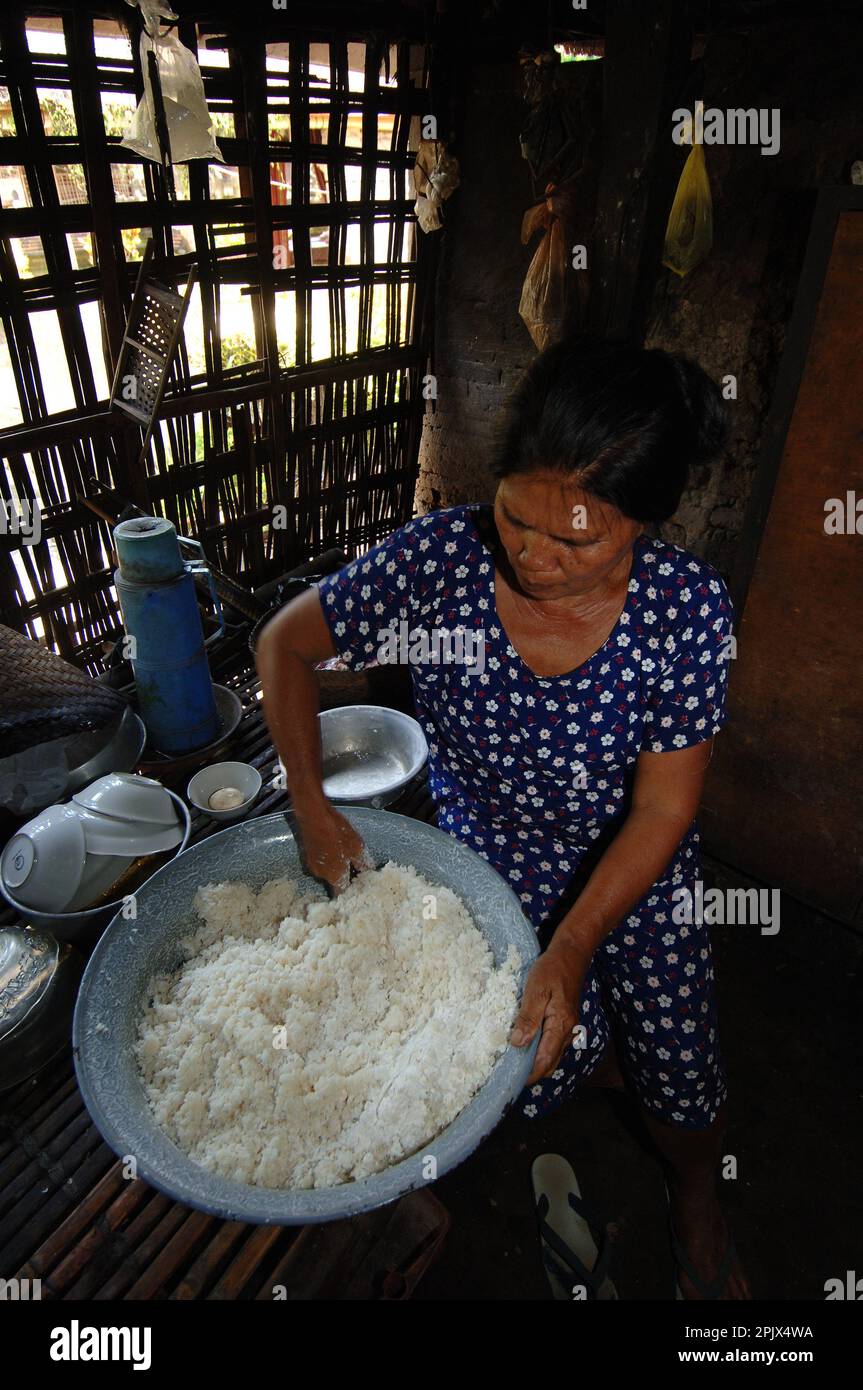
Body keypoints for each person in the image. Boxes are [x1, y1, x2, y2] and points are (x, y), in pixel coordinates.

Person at [255, 334, 750, 1299]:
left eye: (577, 539)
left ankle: (696, 1191)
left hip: (633, 868)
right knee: (528, 1064)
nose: (534, 556)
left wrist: (574, 945)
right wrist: (309, 803)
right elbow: (283, 644)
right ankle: (607, 1063)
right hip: (490, 848)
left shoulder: (687, 614)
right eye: (518, 518)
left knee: (682, 1066)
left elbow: (661, 808)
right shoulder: (441, 558)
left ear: (645, 523)